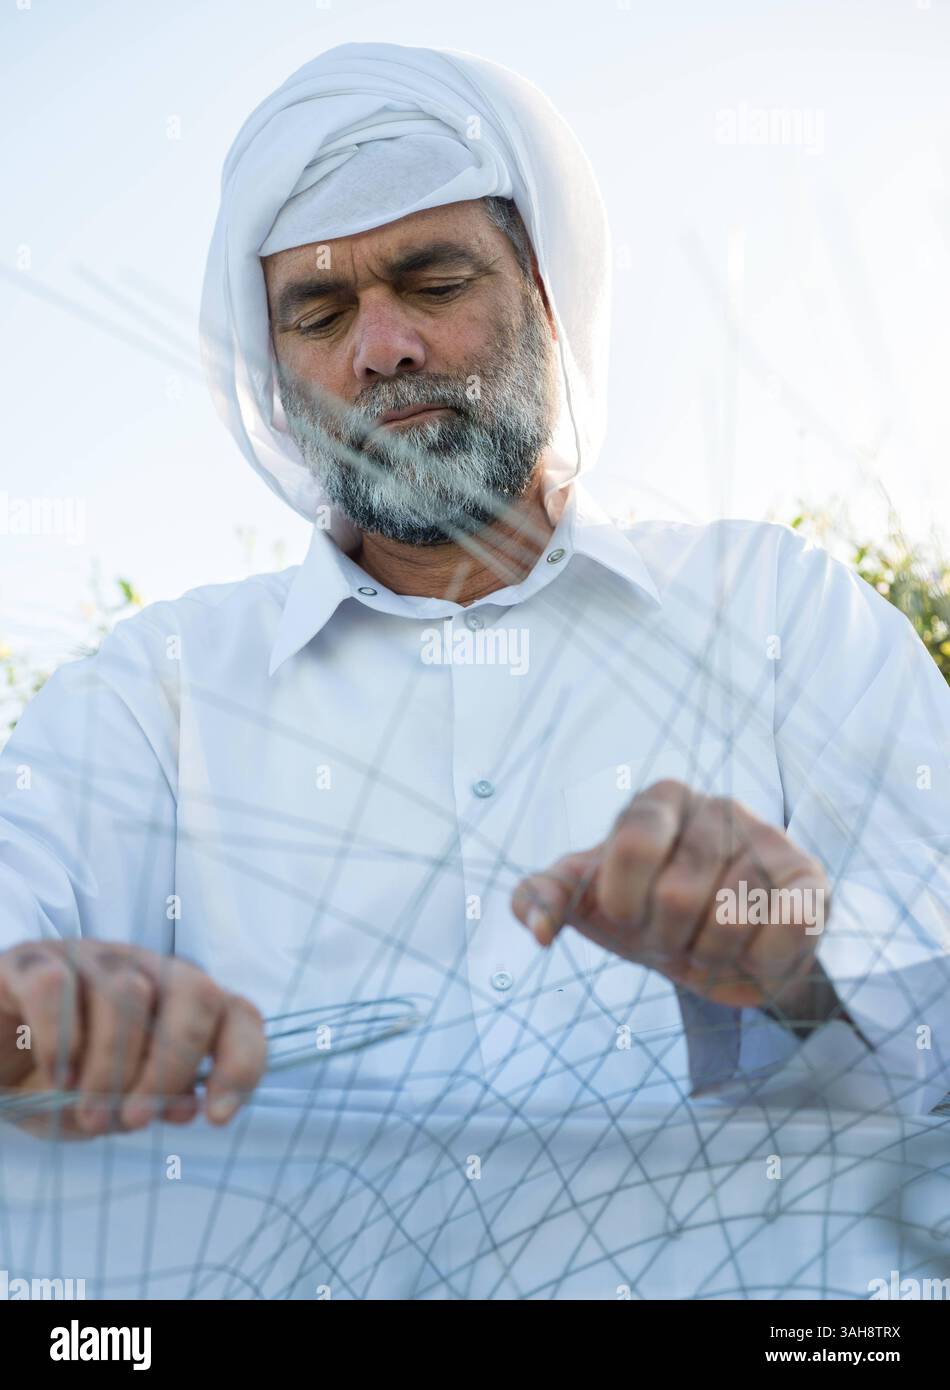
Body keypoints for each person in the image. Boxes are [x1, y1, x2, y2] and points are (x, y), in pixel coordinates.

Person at [1, 41, 948, 1145]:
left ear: (547, 292)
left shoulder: (783, 614)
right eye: (318, 312)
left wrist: (795, 966)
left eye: (433, 283)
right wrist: (35, 1025)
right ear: (273, 368)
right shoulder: (150, 699)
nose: (383, 348)